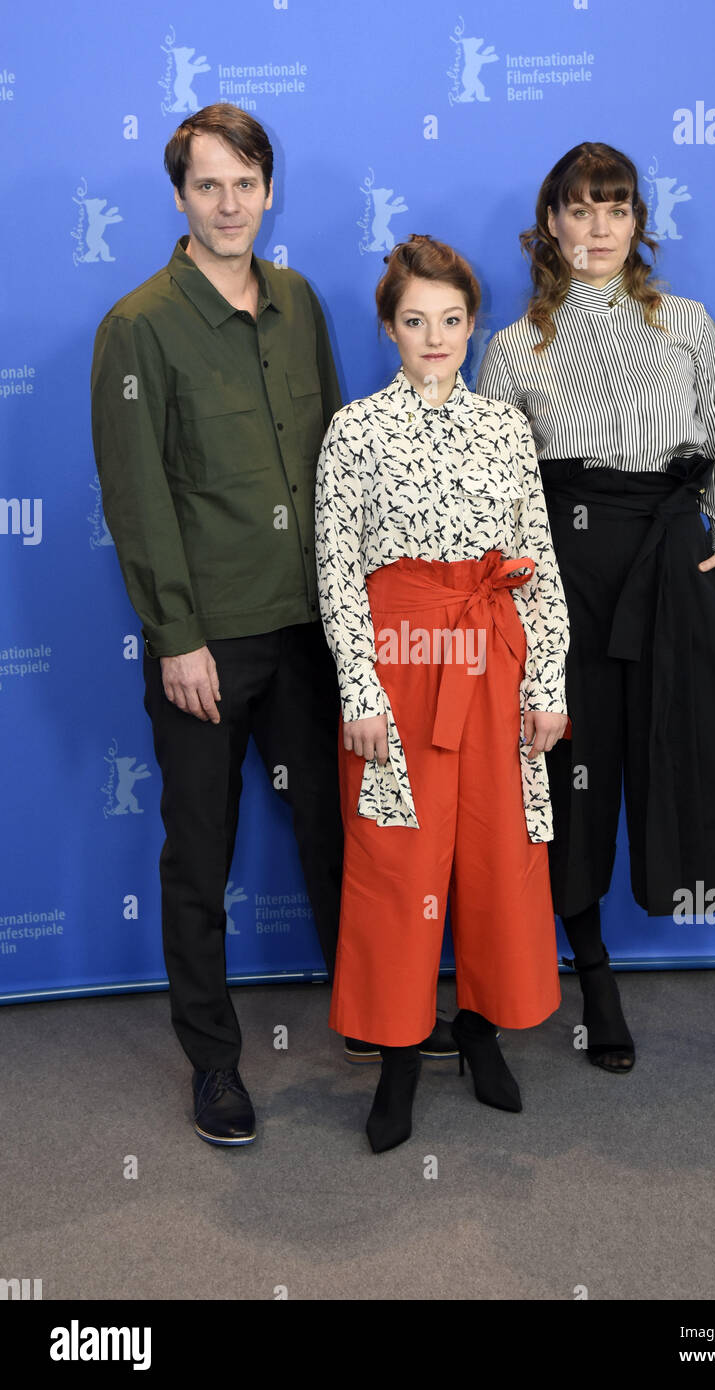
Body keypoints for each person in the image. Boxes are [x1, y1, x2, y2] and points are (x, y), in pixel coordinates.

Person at [477, 141, 715, 1086]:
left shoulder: (689, 324)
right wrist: (515, 599)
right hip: (566, 577)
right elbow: (500, 493)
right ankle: (598, 990)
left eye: (616, 209)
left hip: (672, 565)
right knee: (576, 779)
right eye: (580, 210)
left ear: (638, 223)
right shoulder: (511, 350)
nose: (597, 229)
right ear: (551, 224)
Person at [91, 103, 350, 1147]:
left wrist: (351, 613)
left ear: (269, 190)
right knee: (200, 855)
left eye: (245, 182)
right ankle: (214, 1064)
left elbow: (339, 461)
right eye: (208, 185)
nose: (229, 203)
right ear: (180, 196)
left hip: (310, 631)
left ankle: (374, 1015)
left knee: (338, 832)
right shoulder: (138, 324)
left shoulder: (300, 301)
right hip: (209, 640)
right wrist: (177, 636)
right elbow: (137, 495)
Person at [315, 235, 569, 1152]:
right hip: (399, 666)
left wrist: (547, 679)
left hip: (494, 668)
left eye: (451, 321)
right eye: (415, 321)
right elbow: (338, 573)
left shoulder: (506, 428)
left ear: (473, 326)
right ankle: (395, 1053)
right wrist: (360, 691)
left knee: (499, 858)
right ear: (389, 329)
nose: (435, 337)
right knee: (398, 870)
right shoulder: (354, 432)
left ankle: (482, 1030)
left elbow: (535, 566)